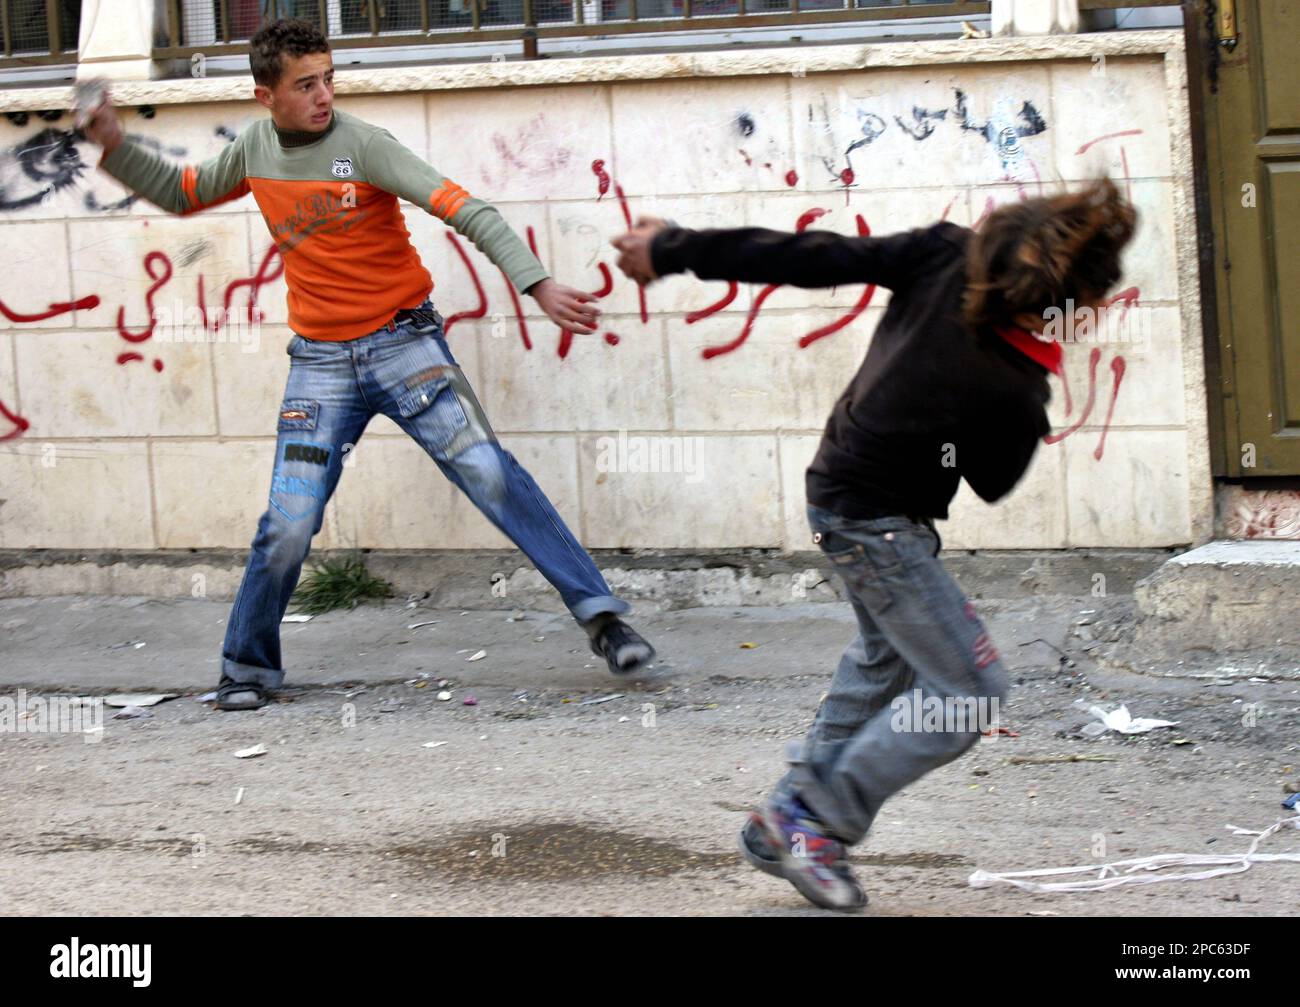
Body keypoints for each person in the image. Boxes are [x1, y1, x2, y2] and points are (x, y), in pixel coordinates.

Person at [82, 17, 655, 711]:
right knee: (289, 521)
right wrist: (113, 144)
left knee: (486, 469)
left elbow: (465, 208)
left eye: (328, 79)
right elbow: (183, 193)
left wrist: (536, 282)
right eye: (305, 85)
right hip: (319, 364)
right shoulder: (254, 150)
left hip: (404, 346)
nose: (324, 96)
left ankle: (604, 618)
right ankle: (247, 667)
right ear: (266, 96)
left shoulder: (365, 146)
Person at [612, 178, 1136, 910]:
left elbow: (810, 255)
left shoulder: (940, 253)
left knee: (880, 667)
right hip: (877, 528)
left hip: (843, 497)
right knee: (968, 692)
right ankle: (814, 820)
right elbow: (992, 479)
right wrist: (1037, 378)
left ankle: (784, 820)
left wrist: (674, 246)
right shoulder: (1012, 382)